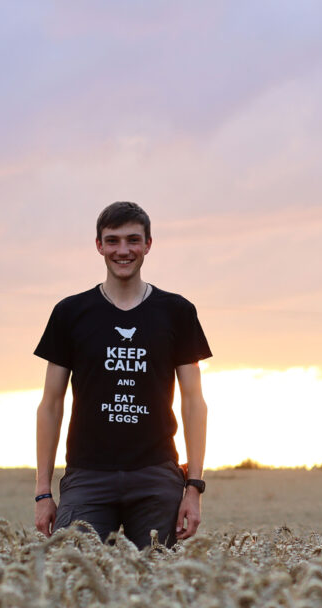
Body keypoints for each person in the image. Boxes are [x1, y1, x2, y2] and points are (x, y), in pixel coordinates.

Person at [33, 201, 211, 549]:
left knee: (158, 583)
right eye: (112, 241)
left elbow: (194, 402)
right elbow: (51, 404)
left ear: (148, 244)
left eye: (133, 240)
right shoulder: (70, 313)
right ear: (98, 245)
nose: (123, 250)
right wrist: (42, 492)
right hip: (87, 476)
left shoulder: (177, 312)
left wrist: (194, 488)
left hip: (157, 475)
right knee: (75, 576)